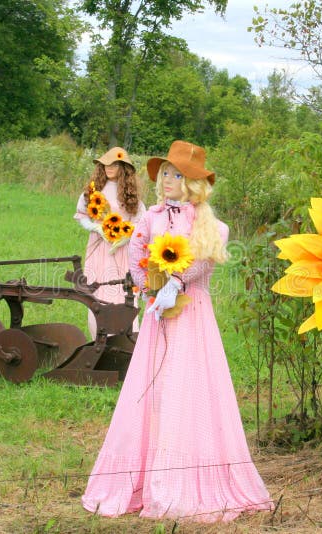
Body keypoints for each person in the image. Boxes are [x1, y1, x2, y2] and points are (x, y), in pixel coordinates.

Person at [81, 140, 273, 522]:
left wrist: (177, 283)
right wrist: (149, 286)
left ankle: (186, 474)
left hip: (192, 315)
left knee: (189, 384)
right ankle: (145, 471)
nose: (167, 179)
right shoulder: (152, 217)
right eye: (165, 173)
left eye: (176, 174)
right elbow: (136, 253)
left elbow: (202, 262)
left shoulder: (210, 225)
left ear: (192, 183)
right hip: (159, 314)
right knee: (154, 384)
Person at [74, 147, 145, 338]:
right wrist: (96, 228)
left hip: (123, 251)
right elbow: (82, 216)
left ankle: (127, 340)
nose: (109, 168)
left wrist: (126, 237)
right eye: (105, 164)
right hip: (99, 248)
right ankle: (100, 338)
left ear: (123, 168)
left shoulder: (130, 194)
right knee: (97, 291)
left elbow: (140, 222)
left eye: (114, 164)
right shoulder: (93, 191)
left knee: (124, 292)